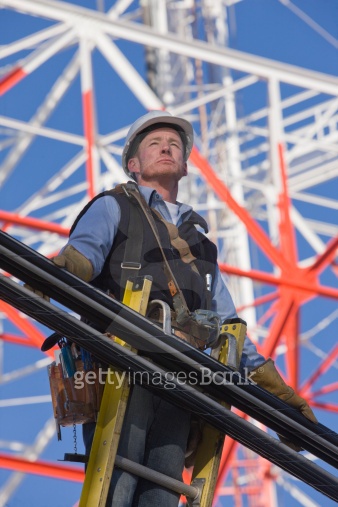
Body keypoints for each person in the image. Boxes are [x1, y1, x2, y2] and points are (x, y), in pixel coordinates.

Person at [52, 111, 317, 507]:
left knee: (162, 494)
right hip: (119, 365)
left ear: (185, 166)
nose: (166, 147)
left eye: (174, 145)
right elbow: (80, 259)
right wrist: (49, 275)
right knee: (117, 486)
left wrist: (280, 399)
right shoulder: (113, 207)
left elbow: (229, 327)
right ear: (134, 165)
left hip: (181, 379)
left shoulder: (200, 244)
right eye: (155, 143)